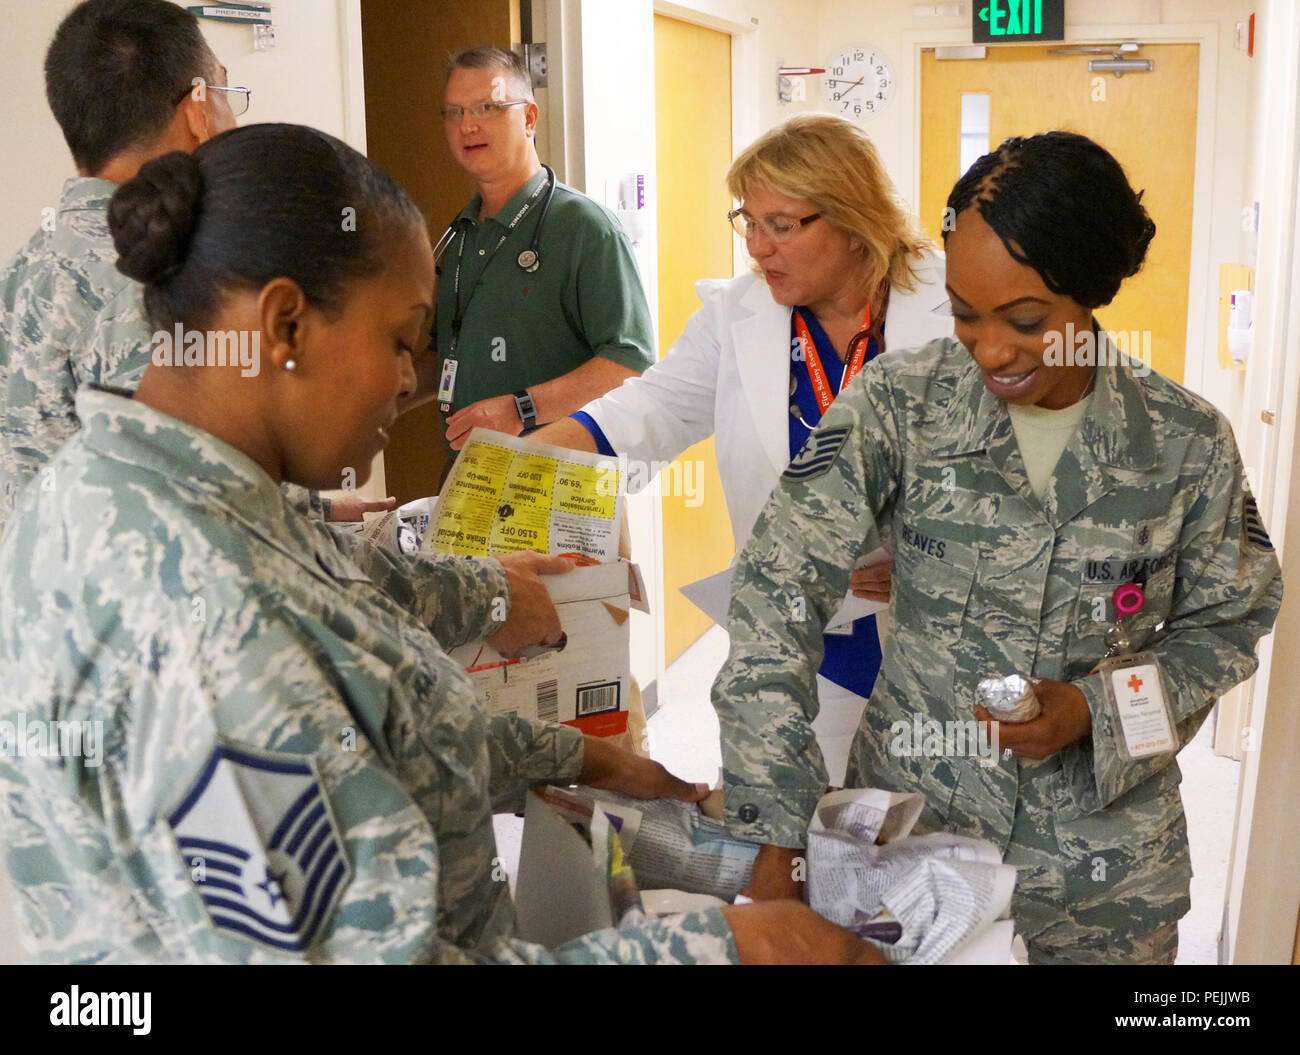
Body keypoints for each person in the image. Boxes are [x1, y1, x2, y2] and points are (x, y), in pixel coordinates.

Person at [0, 122, 878, 965]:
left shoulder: (155, 488)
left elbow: (361, 642)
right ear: (283, 324)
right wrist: (729, 948)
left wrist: (575, 754)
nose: (407, 386)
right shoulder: (209, 625)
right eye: (397, 341)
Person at [710, 130, 1284, 964]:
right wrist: (775, 825)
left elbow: (1227, 628)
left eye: (1025, 320)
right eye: (964, 313)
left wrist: (1092, 707)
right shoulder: (903, 403)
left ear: (1089, 297)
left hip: (1100, 886)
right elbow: (774, 587)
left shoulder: (1184, 442)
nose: (990, 349)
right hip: (913, 858)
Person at [533, 114, 951, 783]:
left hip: (944, 635)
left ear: (851, 219)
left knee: (932, 847)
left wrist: (942, 567)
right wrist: (513, 467)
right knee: (805, 836)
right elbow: (647, 411)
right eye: (747, 221)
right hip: (806, 639)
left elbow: (1022, 467)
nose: (757, 247)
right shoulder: (738, 317)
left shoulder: (957, 306)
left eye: (780, 225)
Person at [0, 0, 386, 528]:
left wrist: (312, 510)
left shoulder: (22, 271)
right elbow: (211, 508)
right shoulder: (151, 283)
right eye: (228, 94)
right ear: (198, 110)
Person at [408, 46, 654, 458]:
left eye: (487, 107)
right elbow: (448, 357)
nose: (468, 125)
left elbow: (630, 364)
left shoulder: (584, 228)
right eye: (455, 112)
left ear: (529, 118)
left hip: (562, 487)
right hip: (471, 480)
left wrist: (521, 409)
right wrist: (375, 400)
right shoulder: (460, 236)